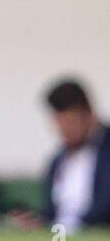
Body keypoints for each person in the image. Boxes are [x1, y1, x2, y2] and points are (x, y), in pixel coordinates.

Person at [41, 79, 110, 231]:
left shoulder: (105, 151)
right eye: (60, 124)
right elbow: (51, 211)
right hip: (60, 236)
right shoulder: (59, 160)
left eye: (70, 122)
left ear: (88, 115)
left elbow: (104, 207)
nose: (64, 131)